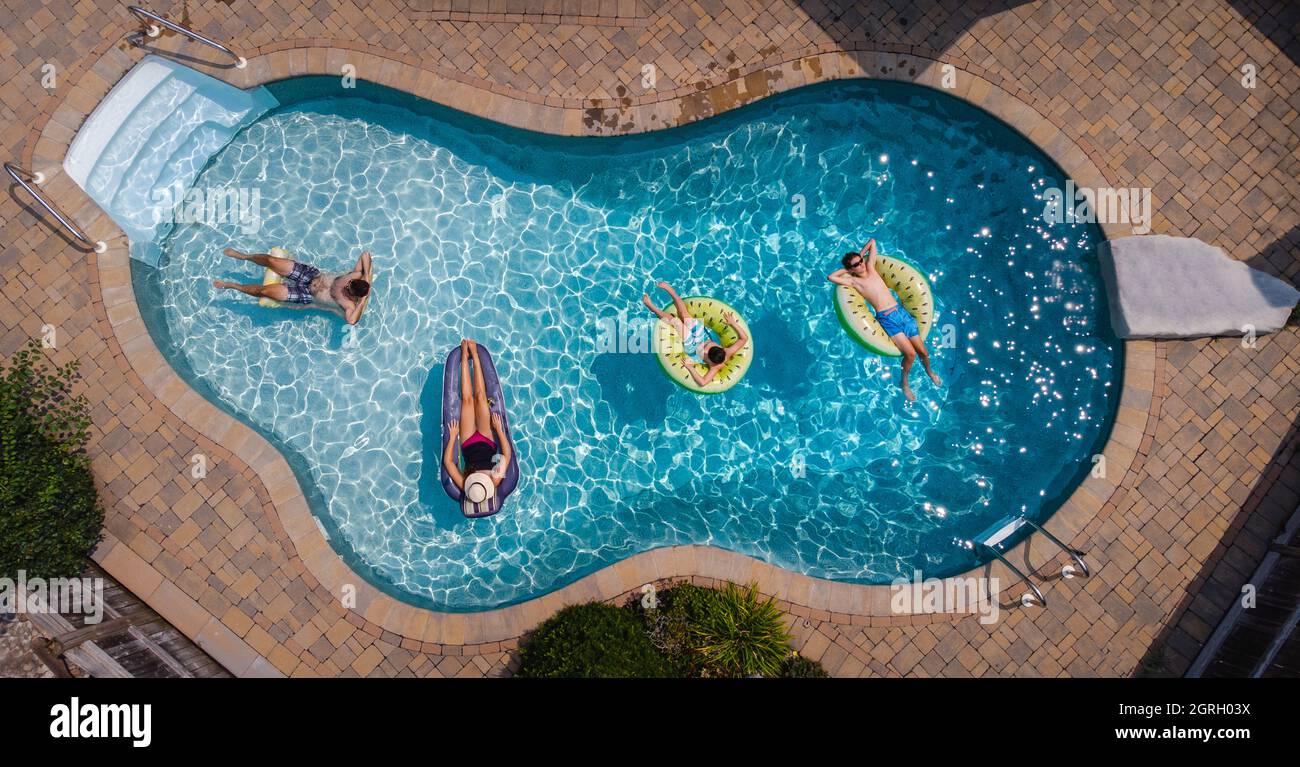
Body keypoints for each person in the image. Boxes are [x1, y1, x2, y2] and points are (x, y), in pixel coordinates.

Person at [828, 238, 941, 400]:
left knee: (923, 351)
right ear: (850, 269)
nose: (860, 264)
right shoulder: (854, 281)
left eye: (860, 261)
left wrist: (860, 255)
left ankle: (929, 371)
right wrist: (846, 270)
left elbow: (873, 242)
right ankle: (905, 383)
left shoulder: (872, 269)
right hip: (887, 319)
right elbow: (831, 277)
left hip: (901, 313)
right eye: (855, 265)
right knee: (910, 355)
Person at [213, 247, 373, 325]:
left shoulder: (349, 305)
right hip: (311, 274)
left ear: (355, 296)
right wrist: (366, 277)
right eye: (349, 284)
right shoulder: (356, 275)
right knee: (272, 261)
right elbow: (365, 254)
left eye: (348, 290)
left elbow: (352, 321)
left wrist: (363, 301)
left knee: (265, 291)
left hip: (306, 295)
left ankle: (232, 285)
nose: (346, 286)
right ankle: (243, 256)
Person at [444, 339, 513, 514]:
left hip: (467, 441)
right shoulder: (495, 480)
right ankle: (475, 356)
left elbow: (448, 463)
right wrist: (499, 429)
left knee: (468, 400)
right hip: (487, 438)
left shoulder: (466, 485)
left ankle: (465, 358)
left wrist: (452, 437)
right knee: (480, 397)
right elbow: (506, 453)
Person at [642, 280, 749, 387]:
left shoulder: (715, 367)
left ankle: (652, 308)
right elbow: (744, 339)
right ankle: (671, 291)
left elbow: (703, 383)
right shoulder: (727, 351)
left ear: (713, 362)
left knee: (678, 323)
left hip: (693, 349)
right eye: (709, 348)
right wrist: (733, 323)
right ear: (721, 349)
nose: (706, 349)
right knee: (685, 316)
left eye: (707, 352)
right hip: (703, 337)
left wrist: (691, 368)